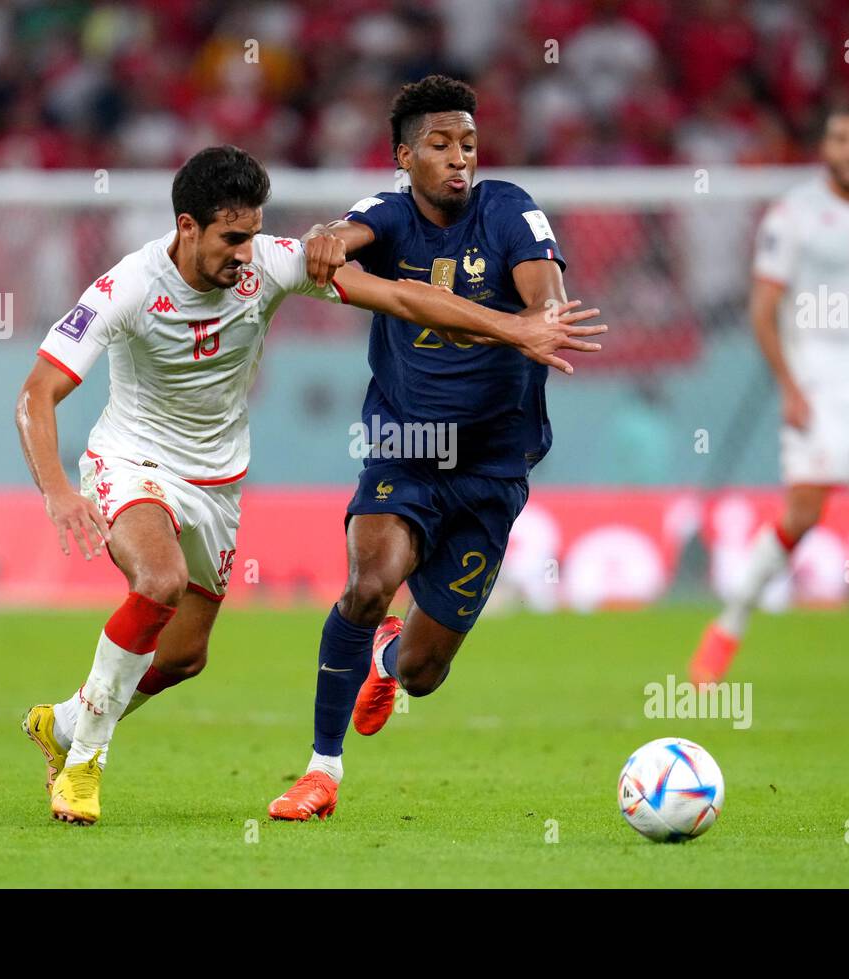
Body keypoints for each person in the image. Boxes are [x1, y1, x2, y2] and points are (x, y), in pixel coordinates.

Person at [15, 144, 605, 825]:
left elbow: (403, 296)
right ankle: (85, 760)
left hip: (217, 483)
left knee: (183, 657)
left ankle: (62, 721)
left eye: (253, 233)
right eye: (232, 238)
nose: (246, 252)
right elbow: (37, 393)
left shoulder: (267, 263)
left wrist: (515, 326)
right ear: (187, 228)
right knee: (159, 580)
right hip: (131, 462)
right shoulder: (126, 287)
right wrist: (59, 490)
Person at [267, 76, 587, 821]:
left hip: (494, 466)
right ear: (404, 156)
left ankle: (385, 659)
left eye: (468, 144)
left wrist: (541, 315)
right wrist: (324, 240)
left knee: (422, 672)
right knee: (370, 579)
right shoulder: (386, 214)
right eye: (440, 145)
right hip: (405, 444)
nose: (459, 159)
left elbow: (545, 302)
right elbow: (343, 238)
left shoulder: (509, 210)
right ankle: (321, 771)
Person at [688, 110, 849, 696]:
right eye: (840, 138)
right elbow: (763, 308)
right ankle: (725, 629)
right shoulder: (793, 216)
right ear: (825, 148)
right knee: (804, 510)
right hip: (819, 379)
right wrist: (791, 386)